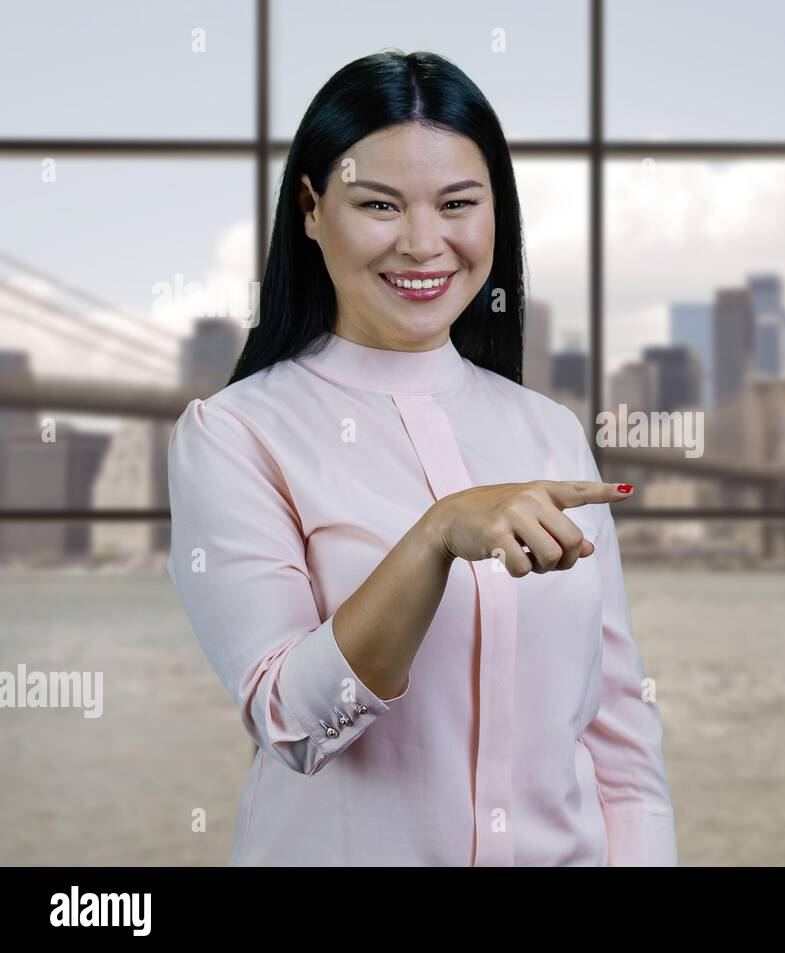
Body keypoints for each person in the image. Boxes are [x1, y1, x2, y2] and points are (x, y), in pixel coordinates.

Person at [165, 50, 678, 866]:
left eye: (457, 205)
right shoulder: (235, 434)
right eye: (378, 204)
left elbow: (618, 738)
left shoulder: (549, 429)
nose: (422, 243)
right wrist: (435, 537)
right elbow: (291, 722)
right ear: (309, 208)